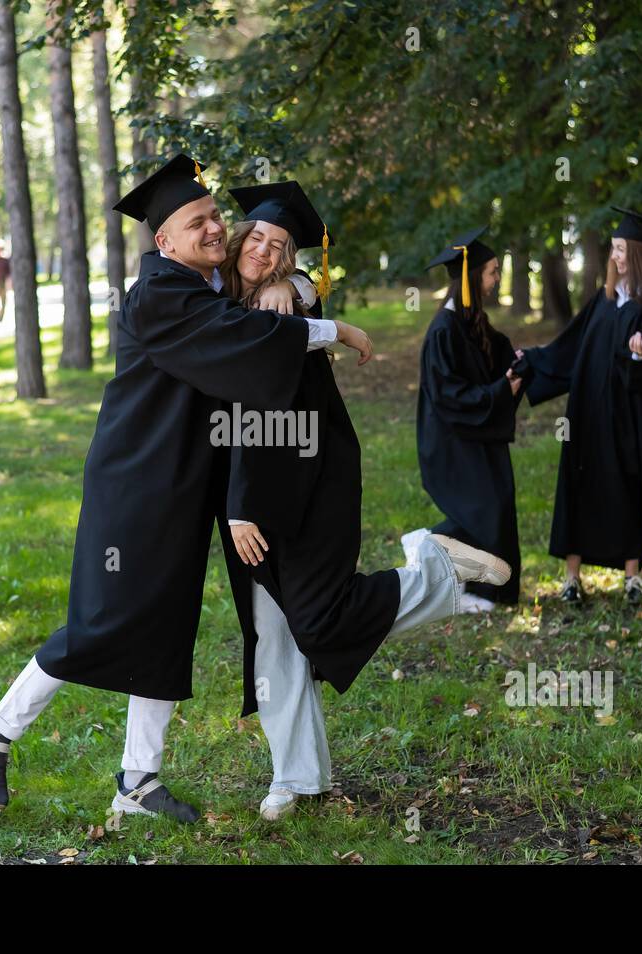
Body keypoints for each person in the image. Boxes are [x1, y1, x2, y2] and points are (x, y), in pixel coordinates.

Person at [0, 155, 408, 823]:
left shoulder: (201, 288)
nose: (212, 228)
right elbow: (242, 336)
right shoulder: (162, 295)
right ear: (162, 240)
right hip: (136, 490)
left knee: (165, 630)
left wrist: (303, 288)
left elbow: (267, 286)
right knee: (103, 623)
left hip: (182, 493)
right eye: (196, 222)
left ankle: (137, 780)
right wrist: (332, 329)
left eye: (214, 218)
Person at [217, 185, 510, 820]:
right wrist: (331, 323)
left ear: (289, 258)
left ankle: (432, 565)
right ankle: (295, 778)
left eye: (279, 247)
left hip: (308, 475)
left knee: (317, 620)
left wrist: (298, 290)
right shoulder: (222, 295)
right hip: (250, 483)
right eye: (257, 239)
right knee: (273, 633)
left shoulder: (285, 293)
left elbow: (265, 374)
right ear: (238, 239)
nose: (263, 252)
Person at [512, 208, 642, 607]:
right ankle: (571, 577)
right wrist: (533, 359)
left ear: (641, 251)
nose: (615, 257)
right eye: (613, 249)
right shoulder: (606, 298)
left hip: (630, 415)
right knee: (579, 482)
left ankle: (632, 576)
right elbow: (570, 347)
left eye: (622, 249)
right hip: (587, 414)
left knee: (629, 483)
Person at [405, 227, 525, 614]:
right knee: (483, 510)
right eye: (492, 272)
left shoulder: (471, 319)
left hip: (476, 429)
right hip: (451, 436)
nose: (496, 280)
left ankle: (493, 589)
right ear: (473, 275)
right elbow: (449, 395)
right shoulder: (444, 328)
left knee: (498, 505)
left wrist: (521, 364)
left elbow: (497, 357)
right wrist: (497, 393)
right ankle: (433, 548)